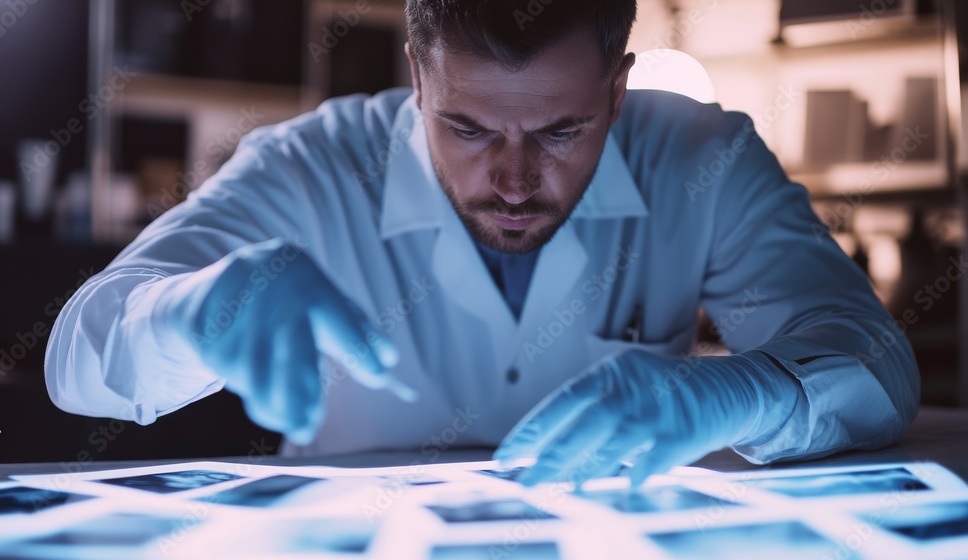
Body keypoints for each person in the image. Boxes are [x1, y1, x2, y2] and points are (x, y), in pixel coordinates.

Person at [46, 0, 919, 487]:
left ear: (619, 92)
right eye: (465, 127)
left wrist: (743, 388)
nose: (511, 179)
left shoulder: (704, 159)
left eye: (561, 131)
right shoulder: (310, 164)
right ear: (417, 78)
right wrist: (188, 309)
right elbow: (73, 360)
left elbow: (876, 358)